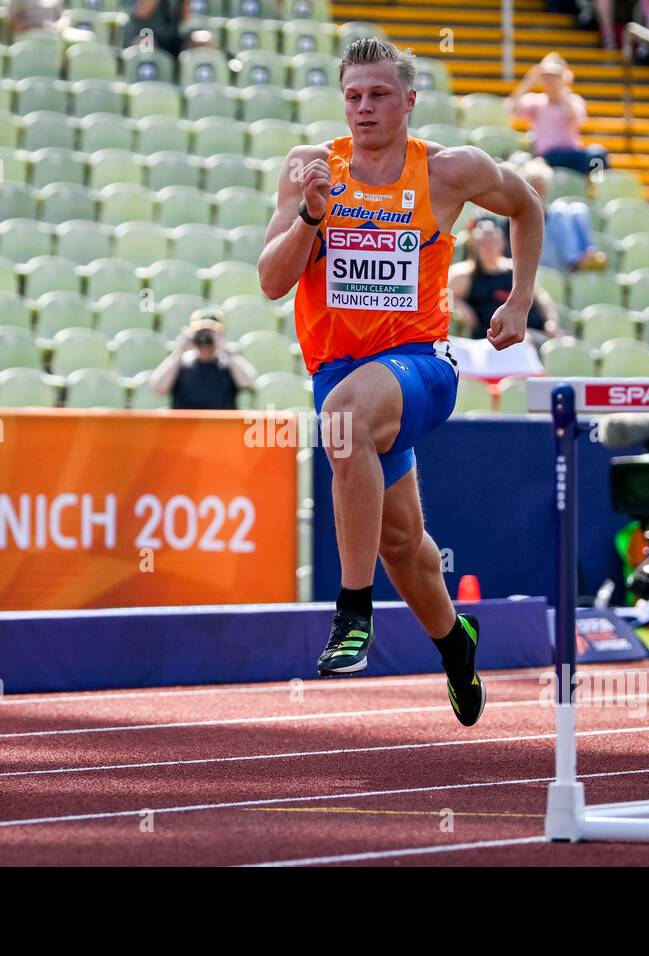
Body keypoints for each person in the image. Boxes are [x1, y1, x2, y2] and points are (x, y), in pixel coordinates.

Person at [258, 37, 544, 726]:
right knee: (402, 543)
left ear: (409, 101)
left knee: (348, 422)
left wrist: (519, 298)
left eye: (378, 94)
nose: (364, 107)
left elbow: (528, 206)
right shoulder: (308, 169)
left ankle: (353, 612)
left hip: (420, 367)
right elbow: (271, 281)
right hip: (338, 374)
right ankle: (455, 643)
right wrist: (310, 217)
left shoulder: (448, 172)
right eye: (353, 95)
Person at [448, 218, 562, 346]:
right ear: (473, 245)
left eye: (492, 241)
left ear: (502, 242)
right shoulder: (463, 274)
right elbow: (444, 297)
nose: (488, 246)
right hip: (489, 342)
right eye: (482, 242)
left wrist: (551, 323)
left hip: (530, 335)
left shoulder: (516, 270)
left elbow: (541, 298)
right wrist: (461, 306)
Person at [505, 55, 610, 175]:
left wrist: (561, 90)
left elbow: (577, 118)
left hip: (572, 154)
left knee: (598, 156)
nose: (551, 80)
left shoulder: (573, 100)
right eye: (547, 77)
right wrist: (529, 81)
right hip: (548, 157)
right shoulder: (537, 102)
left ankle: (596, 184)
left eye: (555, 77)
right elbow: (509, 108)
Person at [518, 157, 608, 272]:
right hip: (539, 267)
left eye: (542, 186)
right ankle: (575, 260)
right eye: (535, 185)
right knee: (559, 210)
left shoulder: (552, 213)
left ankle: (586, 254)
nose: (539, 191)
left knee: (578, 210)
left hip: (558, 265)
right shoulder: (520, 214)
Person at [151, 311, 257, 409]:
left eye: (210, 332)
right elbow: (159, 388)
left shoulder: (228, 364)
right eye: (201, 332)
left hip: (220, 427)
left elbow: (248, 383)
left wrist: (225, 349)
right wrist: (180, 350)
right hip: (185, 427)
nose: (205, 337)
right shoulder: (180, 363)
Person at [122, 0, 188, 58]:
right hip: (144, 34)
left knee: (196, 42)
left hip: (172, 38)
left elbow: (184, 18)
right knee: (146, 43)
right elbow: (142, 13)